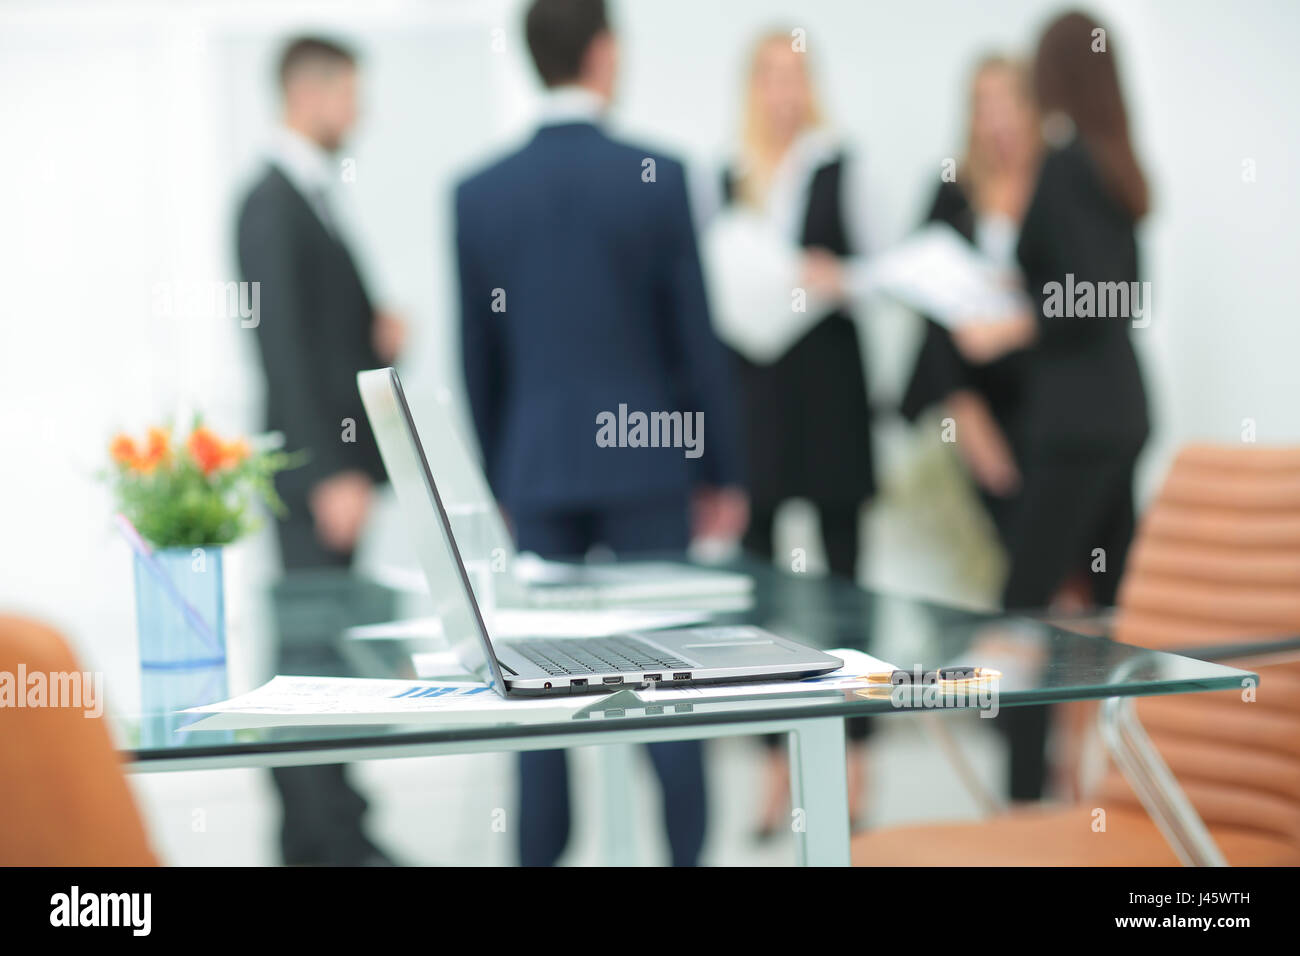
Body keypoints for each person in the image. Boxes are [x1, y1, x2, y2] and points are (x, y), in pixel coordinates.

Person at [454, 0, 746, 866]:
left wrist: (498, 483)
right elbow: (696, 340)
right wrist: (721, 469)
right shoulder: (657, 174)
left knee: (539, 706)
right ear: (605, 55)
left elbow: (481, 358)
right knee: (673, 695)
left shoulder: (478, 193)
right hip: (650, 468)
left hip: (535, 470)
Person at [949, 11, 1152, 800]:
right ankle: (1122, 791)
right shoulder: (1111, 160)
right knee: (1109, 610)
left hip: (1078, 423)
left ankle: (1026, 803)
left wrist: (1015, 321)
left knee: (1022, 614)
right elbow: (1108, 285)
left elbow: (1100, 295)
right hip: (1116, 414)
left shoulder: (1068, 163)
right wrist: (1026, 296)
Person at [236, 36, 405, 865]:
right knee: (307, 657)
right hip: (315, 474)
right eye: (352, 93)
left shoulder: (310, 195)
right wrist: (330, 471)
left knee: (329, 651)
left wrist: (375, 335)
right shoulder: (270, 202)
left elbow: (320, 334)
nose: (361, 112)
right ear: (312, 93)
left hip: (334, 468)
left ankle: (336, 828)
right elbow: (281, 354)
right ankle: (321, 840)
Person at [707, 31, 876, 837]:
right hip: (759, 394)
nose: (784, 91)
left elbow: (877, 268)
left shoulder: (840, 164)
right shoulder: (729, 176)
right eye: (770, 76)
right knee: (761, 588)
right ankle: (777, 767)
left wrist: (837, 275)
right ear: (752, 86)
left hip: (829, 390)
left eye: (797, 76)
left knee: (850, 583)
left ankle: (857, 765)